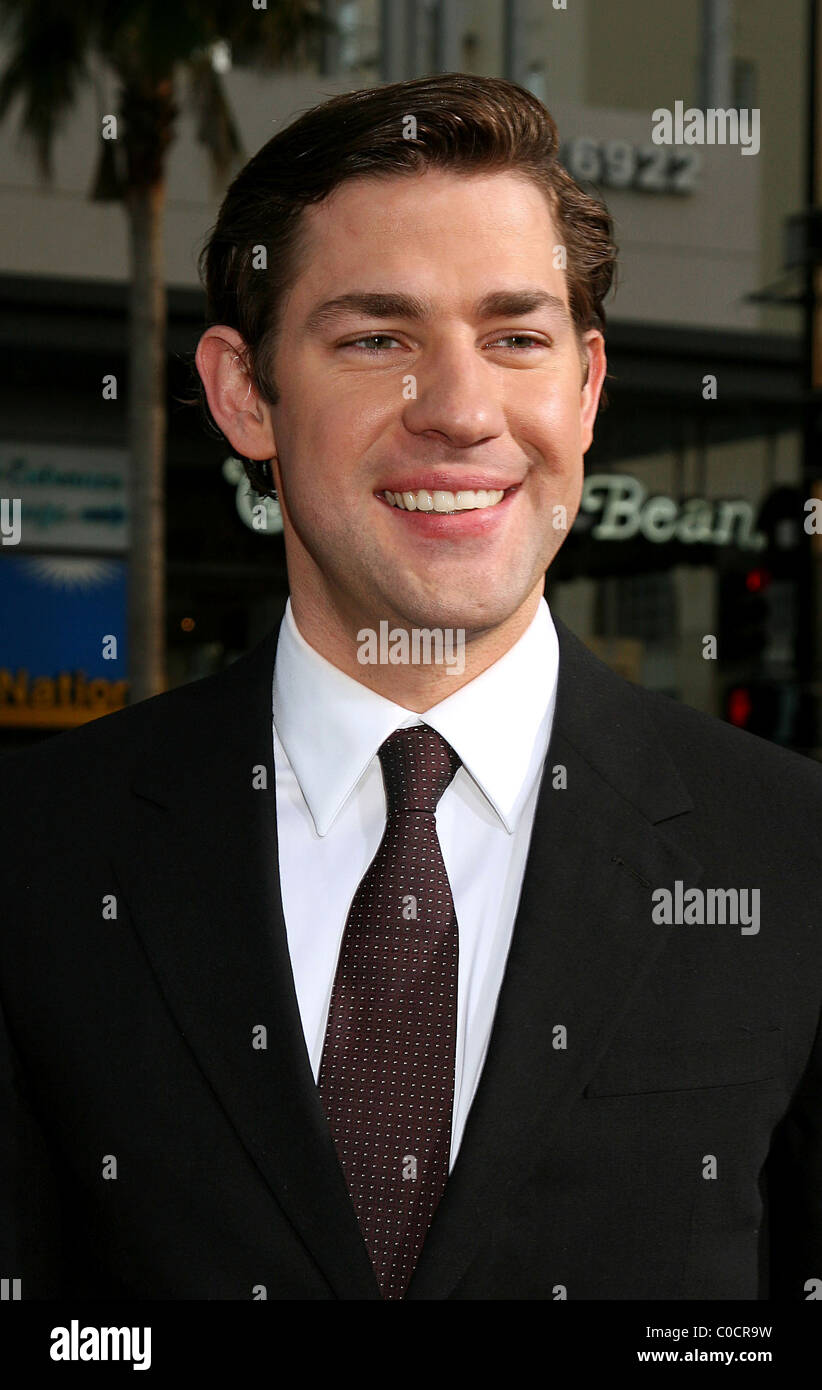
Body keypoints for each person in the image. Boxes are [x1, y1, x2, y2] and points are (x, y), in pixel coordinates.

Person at [2, 72, 821, 1302]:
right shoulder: (37, 855)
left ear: (586, 390)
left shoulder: (796, 856)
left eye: (516, 338)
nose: (458, 410)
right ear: (244, 393)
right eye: (378, 337)